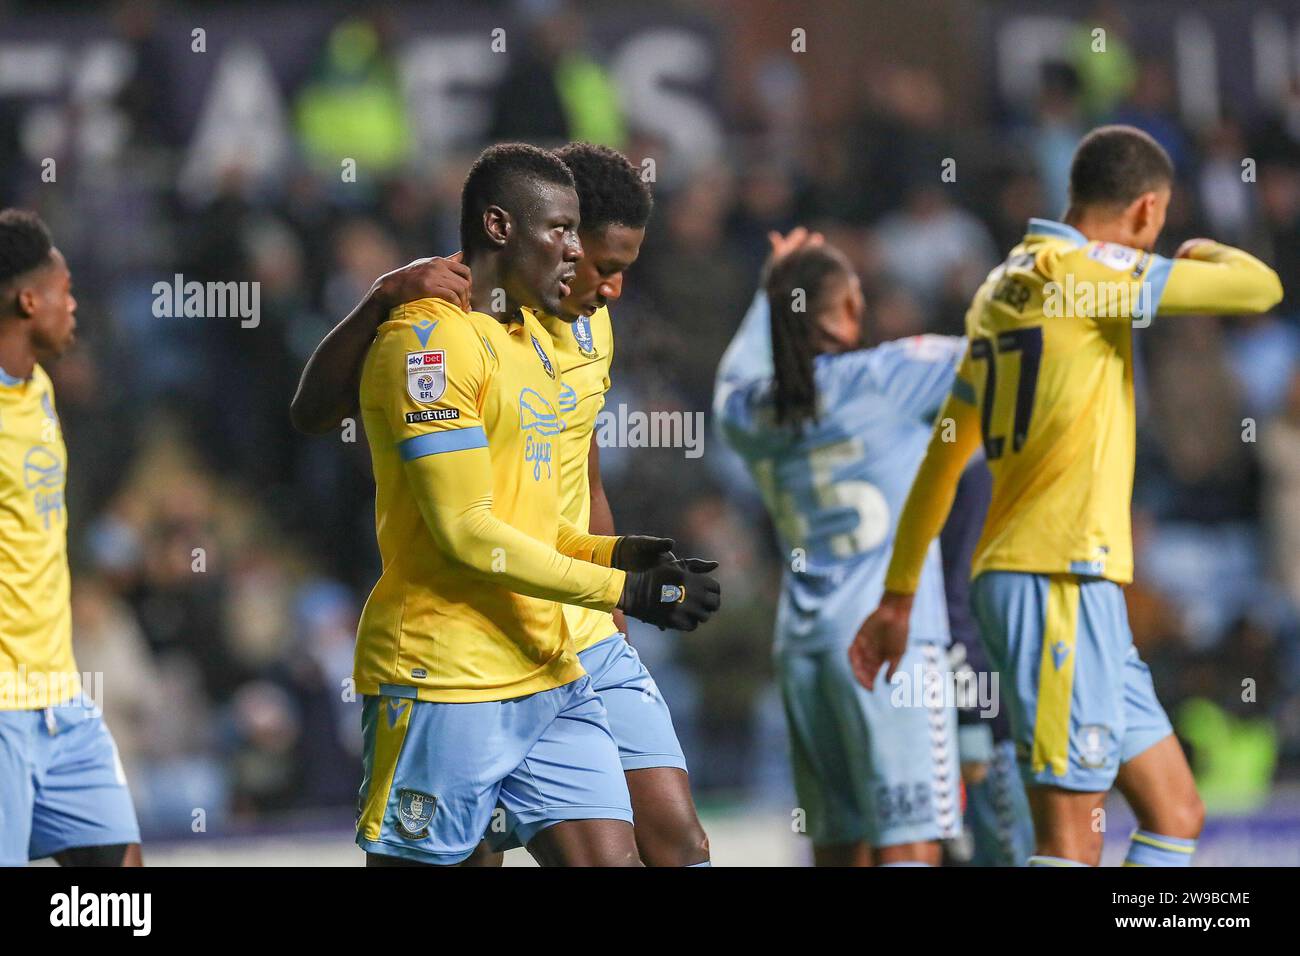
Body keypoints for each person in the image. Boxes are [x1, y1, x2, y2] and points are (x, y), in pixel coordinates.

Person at [852, 125, 1283, 866]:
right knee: (1068, 838)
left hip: (1073, 584)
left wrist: (896, 598)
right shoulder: (1093, 273)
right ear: (1147, 211)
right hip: (1054, 580)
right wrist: (1200, 254)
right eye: (1160, 223)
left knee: (1176, 810)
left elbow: (944, 460)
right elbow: (1259, 286)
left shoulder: (1001, 286)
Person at [292, 143, 712, 866]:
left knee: (666, 839)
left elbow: (572, 483)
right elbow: (466, 530)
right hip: (451, 657)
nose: (602, 281)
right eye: (581, 249)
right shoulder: (438, 326)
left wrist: (618, 570)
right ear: (505, 229)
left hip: (559, 640)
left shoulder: (554, 336)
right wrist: (621, 585)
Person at [714, 229, 963, 866]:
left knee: (837, 846)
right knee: (908, 842)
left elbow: (729, 383)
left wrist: (770, 286)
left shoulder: (752, 411)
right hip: (888, 646)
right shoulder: (888, 377)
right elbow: (1008, 354)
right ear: (850, 311)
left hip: (804, 648)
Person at [0, 209, 142, 867]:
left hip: (61, 700)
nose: (75, 307)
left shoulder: (43, 391)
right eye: (65, 291)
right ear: (29, 300)